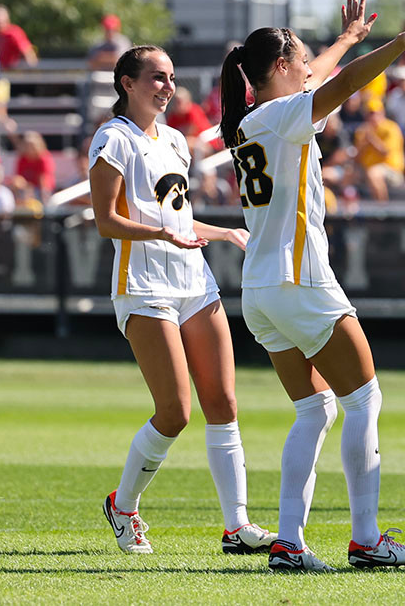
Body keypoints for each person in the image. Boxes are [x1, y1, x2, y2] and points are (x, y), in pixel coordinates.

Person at [218, 0, 405, 572]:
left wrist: (349, 38)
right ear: (282, 68)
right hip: (300, 280)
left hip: (260, 291)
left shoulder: (249, 121)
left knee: (315, 408)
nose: (310, 62)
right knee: (364, 398)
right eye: (302, 56)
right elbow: (340, 86)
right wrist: (400, 45)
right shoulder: (283, 114)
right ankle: (365, 538)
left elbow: (315, 76)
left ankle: (290, 542)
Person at [88, 45, 275, 556]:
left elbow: (179, 218)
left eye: (170, 78)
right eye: (156, 77)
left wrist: (224, 233)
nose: (166, 86)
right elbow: (106, 221)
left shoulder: (174, 140)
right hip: (144, 286)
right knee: (174, 412)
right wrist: (166, 237)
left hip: (194, 281)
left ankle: (237, 526)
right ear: (127, 82)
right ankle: (123, 506)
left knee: (224, 402)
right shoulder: (112, 139)